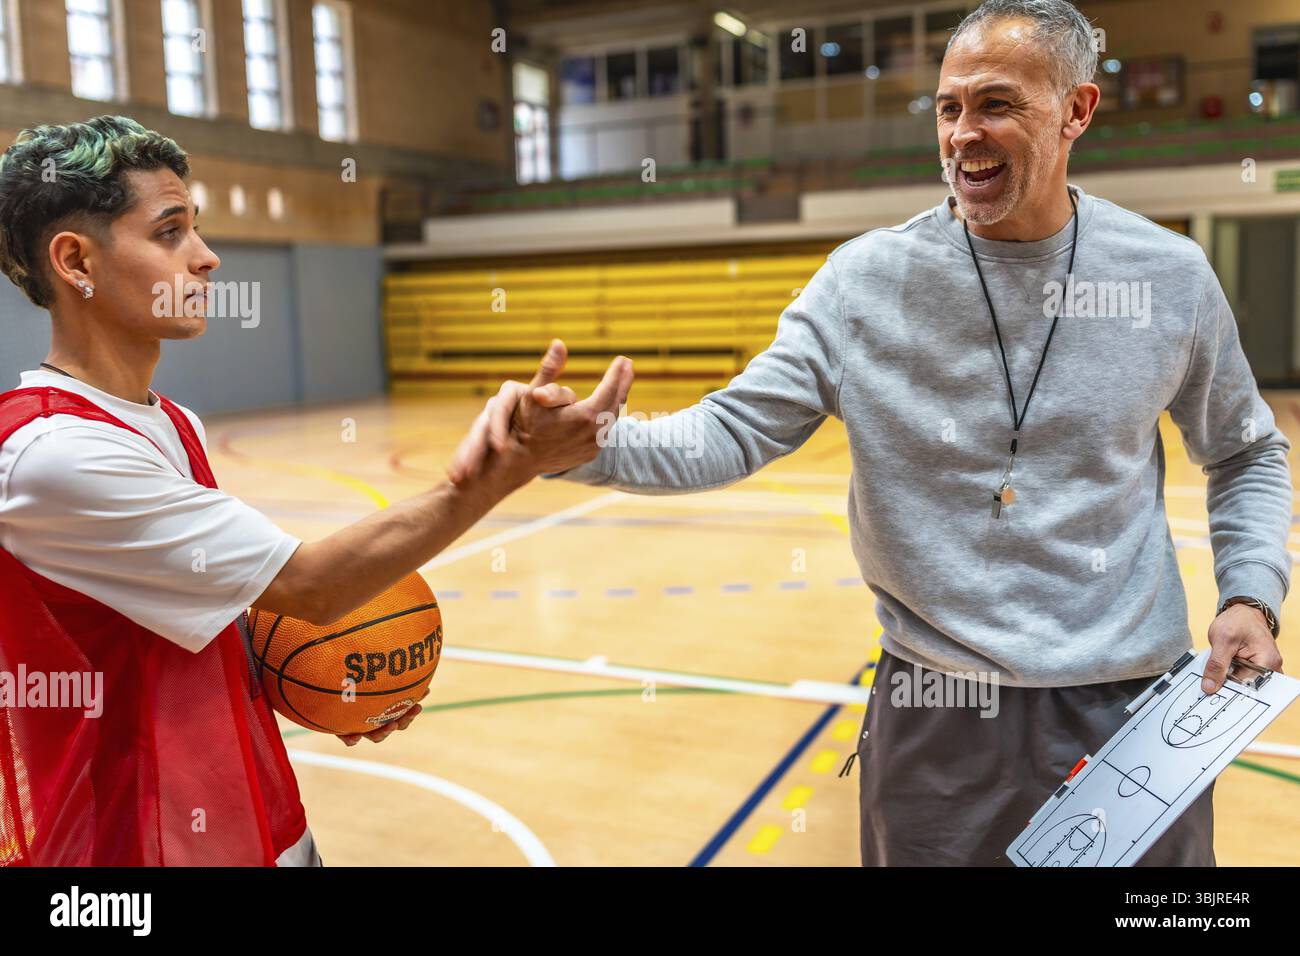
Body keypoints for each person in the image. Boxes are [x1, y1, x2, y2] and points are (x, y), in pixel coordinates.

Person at [453, 0, 1289, 865]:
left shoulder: (1167, 277)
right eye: (948, 107)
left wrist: (1250, 592)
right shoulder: (865, 284)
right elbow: (733, 430)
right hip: (938, 711)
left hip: (1131, 706)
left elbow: (1245, 451)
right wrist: (588, 448)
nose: (964, 133)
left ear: (1077, 111)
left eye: (997, 104)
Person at [0, 115, 632, 866]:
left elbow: (207, 626)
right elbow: (311, 585)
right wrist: (501, 471)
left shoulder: (170, 422)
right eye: (170, 232)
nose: (206, 259)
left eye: (196, 229)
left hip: (252, 814)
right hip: (131, 850)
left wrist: (328, 677)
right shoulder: (52, 453)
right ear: (75, 261)